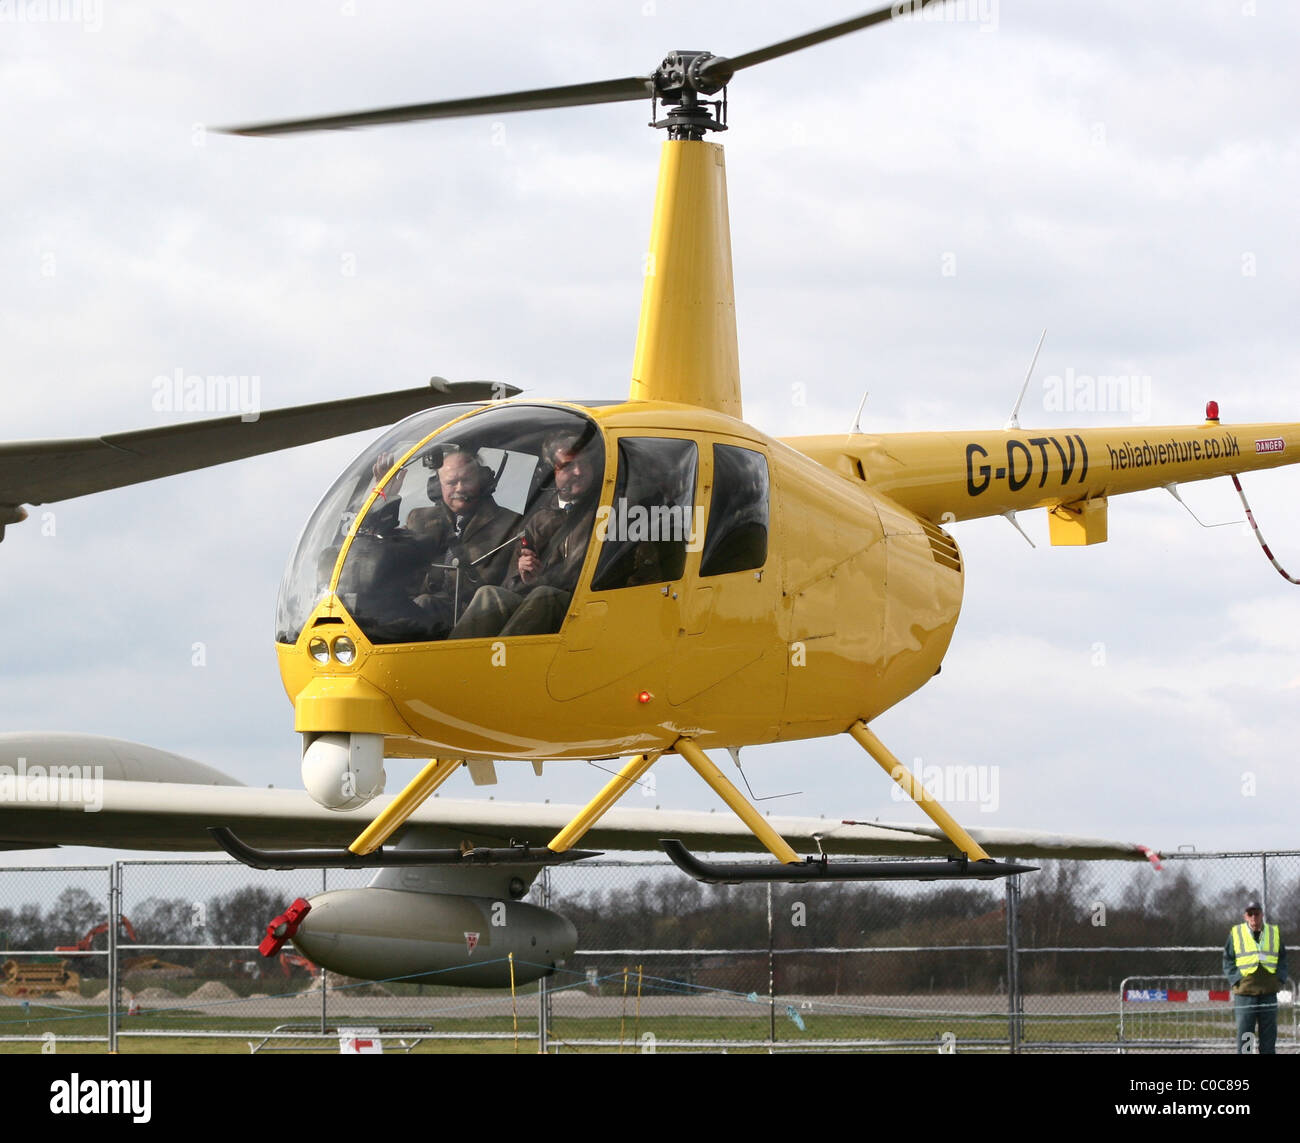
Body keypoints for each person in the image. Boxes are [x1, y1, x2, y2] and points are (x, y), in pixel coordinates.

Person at [450, 428, 600, 639]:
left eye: (583, 463)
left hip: (582, 604)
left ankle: (497, 667)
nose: (578, 472)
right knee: (490, 595)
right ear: (549, 474)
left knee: (543, 595)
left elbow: (581, 576)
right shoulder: (539, 519)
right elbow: (509, 582)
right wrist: (523, 574)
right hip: (538, 600)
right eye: (568, 466)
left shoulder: (606, 511)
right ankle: (454, 664)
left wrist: (540, 580)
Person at [1223, 899, 1288, 1054]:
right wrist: (1235, 979)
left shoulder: (1273, 933)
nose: (1254, 917)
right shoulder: (1236, 933)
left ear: (1262, 915)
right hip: (1245, 992)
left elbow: (1282, 958)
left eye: (1256, 914)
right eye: (1250, 914)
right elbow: (1228, 959)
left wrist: (1280, 979)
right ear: (1245, 916)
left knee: (1268, 1036)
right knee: (1245, 1035)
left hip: (1268, 992)